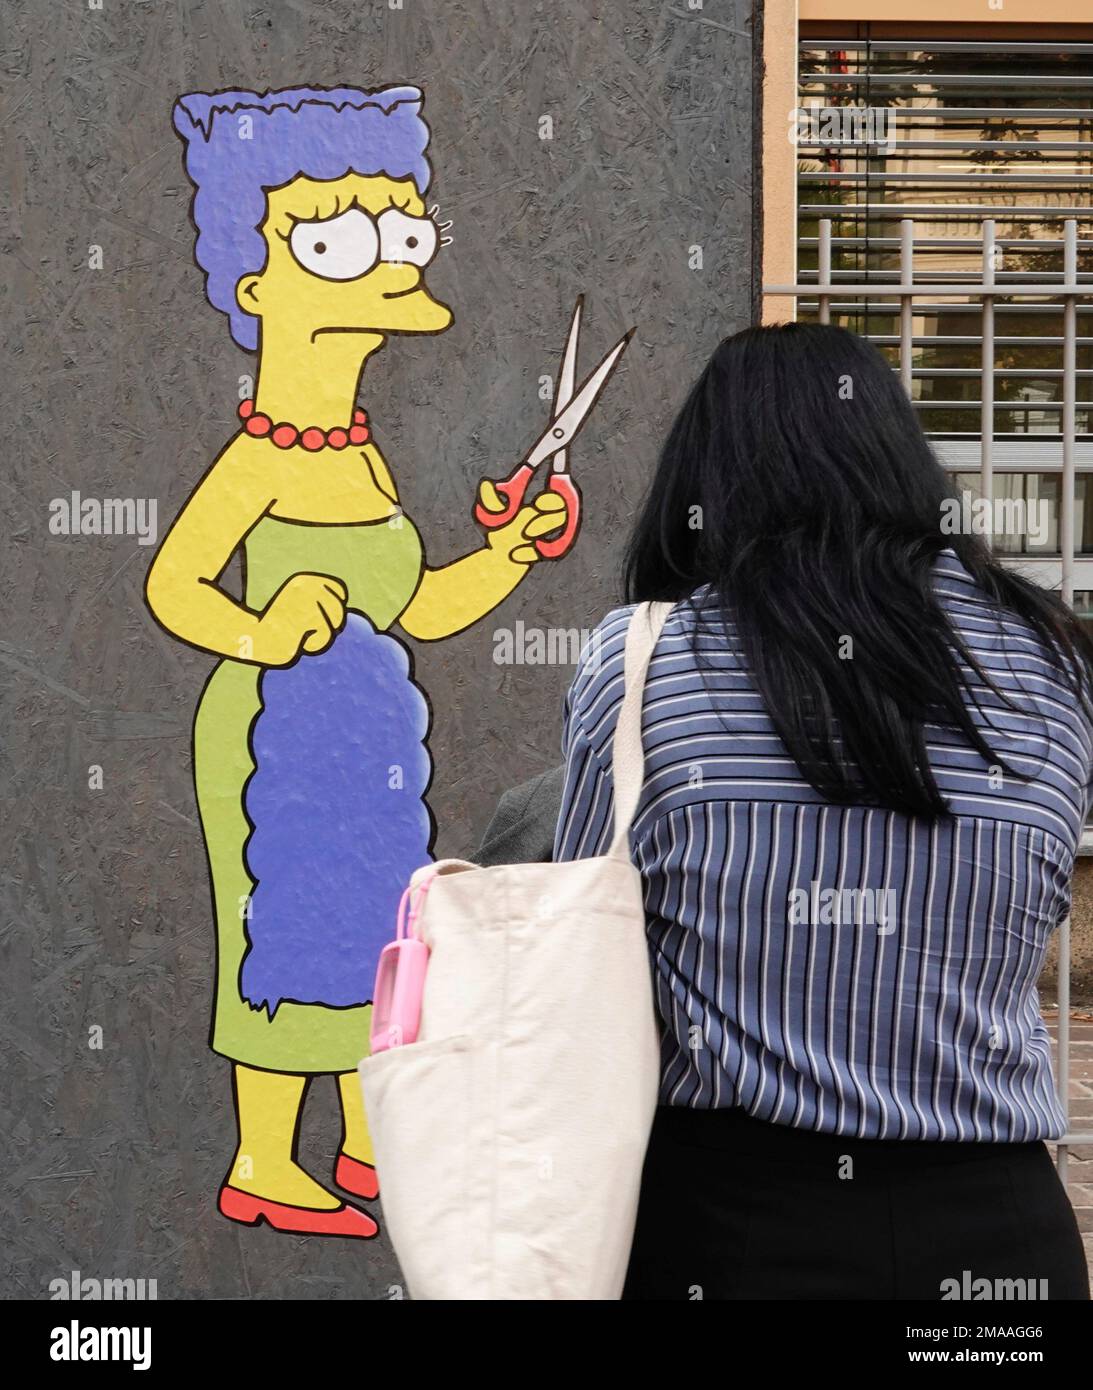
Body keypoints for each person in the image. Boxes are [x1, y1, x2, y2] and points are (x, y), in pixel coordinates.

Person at [554, 322, 1093, 1300]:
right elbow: (1038, 899)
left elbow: (588, 947)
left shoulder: (638, 663)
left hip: (729, 1231)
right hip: (999, 1238)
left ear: (703, 482)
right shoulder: (1054, 663)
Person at [146, 85, 569, 1240]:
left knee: (376, 928)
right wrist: (262, 626)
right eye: (338, 240)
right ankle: (265, 1161)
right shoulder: (259, 460)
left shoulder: (359, 455)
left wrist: (507, 555)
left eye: (401, 230)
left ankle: (374, 1145)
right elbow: (172, 585)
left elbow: (417, 607)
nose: (389, 258)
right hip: (274, 738)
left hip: (370, 738)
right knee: (282, 928)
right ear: (257, 288)